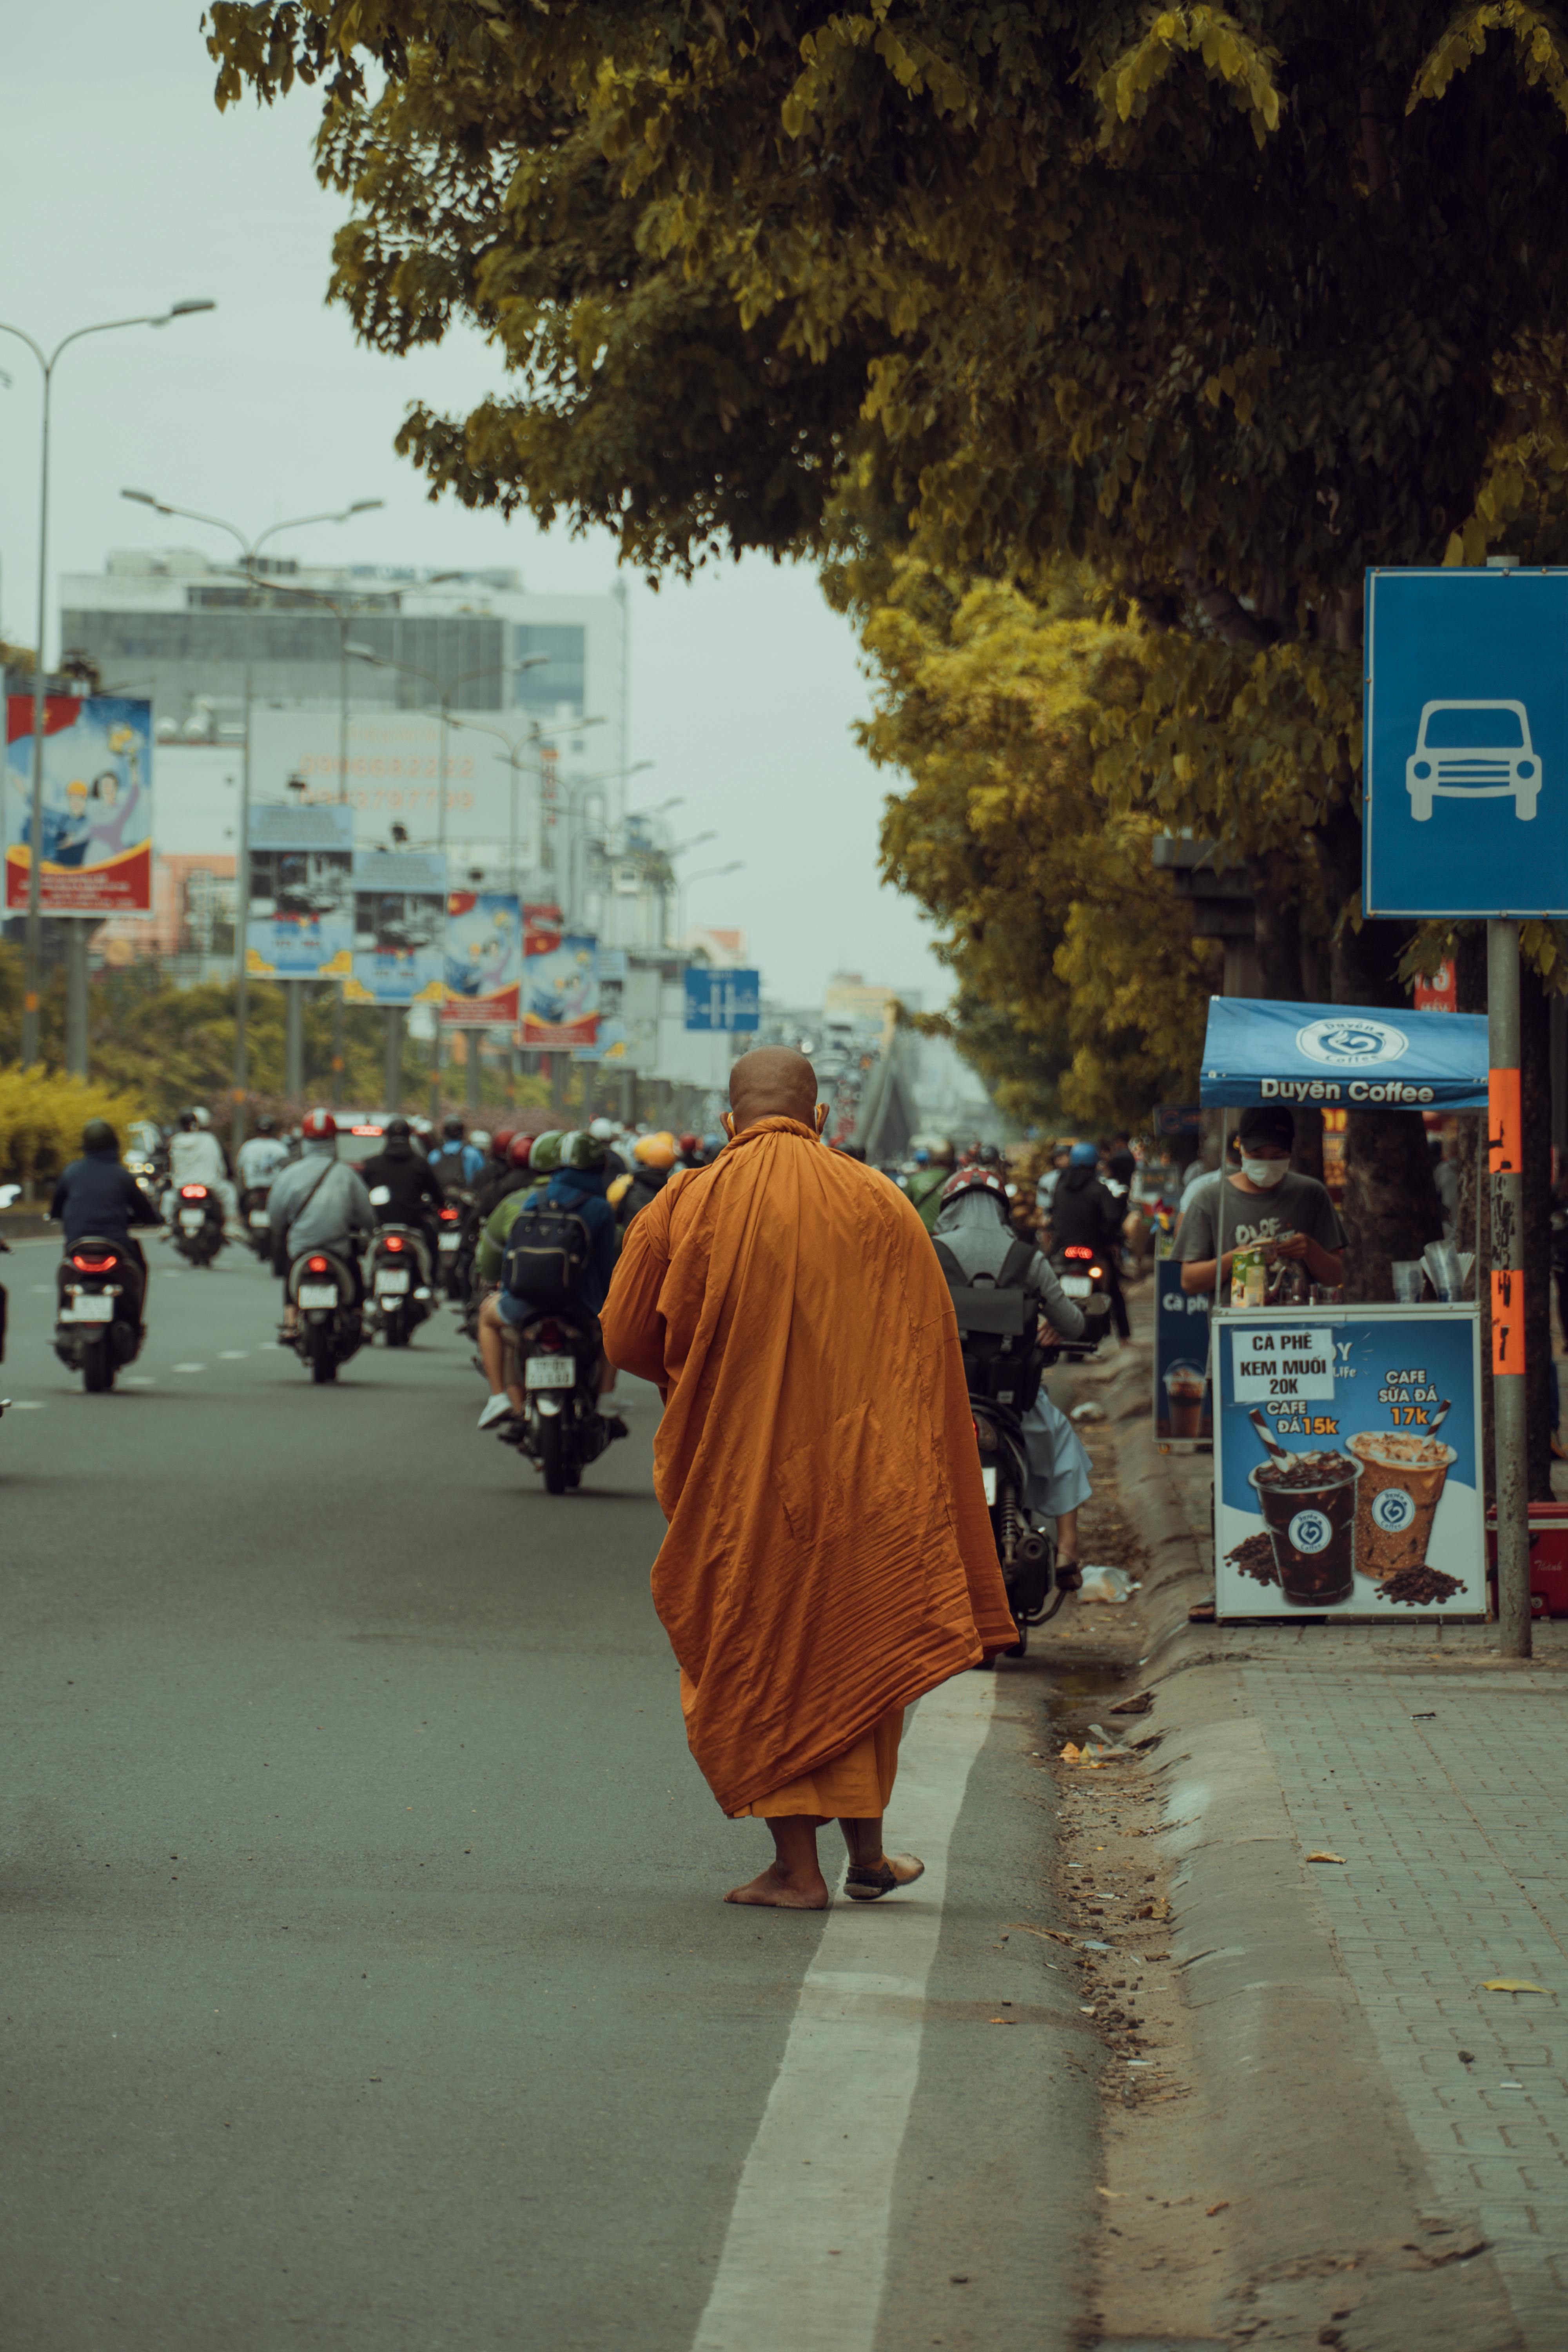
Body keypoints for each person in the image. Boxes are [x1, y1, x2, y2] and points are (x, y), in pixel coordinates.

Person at [600, 1046, 1014, 1910]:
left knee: (761, 1650)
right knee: (860, 1639)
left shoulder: (686, 1201)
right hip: (869, 1475)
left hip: (744, 1481)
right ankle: (866, 1854)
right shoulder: (882, 1203)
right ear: (822, 1118)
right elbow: (925, 1349)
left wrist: (704, 1381)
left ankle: (798, 1871)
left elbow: (624, 1337)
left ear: (727, 1121)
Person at [931, 1166, 1097, 1572]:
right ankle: (1067, 1551)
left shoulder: (927, 1253)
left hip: (939, 1401)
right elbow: (1074, 1325)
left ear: (949, 1208)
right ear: (1001, 1211)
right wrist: (1044, 1325)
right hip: (1013, 1402)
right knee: (1061, 1444)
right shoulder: (1028, 1259)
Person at [475, 1129, 621, 1430]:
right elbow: (607, 1266)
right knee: (618, 1323)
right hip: (581, 1306)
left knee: (487, 1318)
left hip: (526, 1304)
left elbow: (508, 1256)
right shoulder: (600, 1208)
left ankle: (498, 1397)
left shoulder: (532, 1200)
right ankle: (606, 1398)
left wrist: (508, 1289)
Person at [1178, 1105, 1345, 1297]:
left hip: (1301, 1320)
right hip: (1237, 1322)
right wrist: (1237, 1258)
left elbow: (1338, 1277)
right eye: (1257, 1156)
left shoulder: (1312, 1194)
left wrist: (1311, 1251)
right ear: (1240, 1147)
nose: (1266, 1164)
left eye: (1277, 1157)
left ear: (1291, 1149)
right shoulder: (1209, 1198)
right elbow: (1189, 1281)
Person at [267, 1109, 376, 1334]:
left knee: (290, 1271)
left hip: (301, 1248)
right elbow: (367, 1215)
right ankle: (358, 1315)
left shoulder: (289, 1174)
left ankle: (290, 1321)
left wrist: (281, 1230)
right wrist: (370, 1230)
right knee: (354, 1269)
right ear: (333, 1140)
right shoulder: (346, 1175)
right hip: (337, 1249)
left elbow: (276, 1216)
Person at [49, 1120, 162, 1322]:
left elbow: (56, 1209)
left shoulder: (71, 1172)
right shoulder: (122, 1176)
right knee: (139, 1267)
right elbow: (145, 1211)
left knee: (66, 1272)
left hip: (77, 1244)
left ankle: (64, 1314)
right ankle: (134, 1320)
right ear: (114, 1144)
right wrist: (154, 1219)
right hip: (115, 1244)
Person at [1047, 1141, 1131, 1340]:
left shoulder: (1060, 1189)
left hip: (1064, 1249)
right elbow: (1111, 1219)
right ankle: (1125, 1338)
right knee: (1114, 1292)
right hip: (1093, 1249)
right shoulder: (1099, 1190)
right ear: (1096, 1163)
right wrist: (1111, 1240)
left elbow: (1055, 1217)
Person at [359, 1116, 448, 1275]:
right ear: (409, 1138)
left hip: (380, 1226)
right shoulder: (420, 1164)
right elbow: (437, 1194)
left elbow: (360, 1196)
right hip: (414, 1226)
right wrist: (440, 1208)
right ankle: (432, 1284)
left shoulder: (372, 1164)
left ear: (388, 1138)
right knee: (432, 1242)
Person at [164, 1110, 238, 1229]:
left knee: (168, 1197)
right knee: (229, 1192)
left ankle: (167, 1225)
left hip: (182, 1185)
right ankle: (231, 1225)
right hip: (210, 1184)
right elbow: (220, 1164)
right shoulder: (209, 1139)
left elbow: (170, 1166)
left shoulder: (175, 1141)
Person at [619, 1132, 676, 1229]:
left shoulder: (633, 1184)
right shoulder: (672, 1191)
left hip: (631, 1239)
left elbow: (620, 1215)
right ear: (671, 1166)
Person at [903, 1138, 953, 1232]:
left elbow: (904, 1211)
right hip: (947, 1238)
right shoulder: (957, 1183)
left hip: (921, 1236)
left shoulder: (915, 1180)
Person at [428, 1115, 485, 1191]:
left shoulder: (434, 1155)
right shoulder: (473, 1153)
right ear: (463, 1132)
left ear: (444, 1133)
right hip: (467, 1198)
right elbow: (484, 1177)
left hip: (441, 1199)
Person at [237, 1116, 289, 1194]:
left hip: (253, 1190)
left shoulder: (248, 1146)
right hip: (273, 1192)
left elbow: (240, 1168)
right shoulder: (280, 1147)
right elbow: (287, 1170)